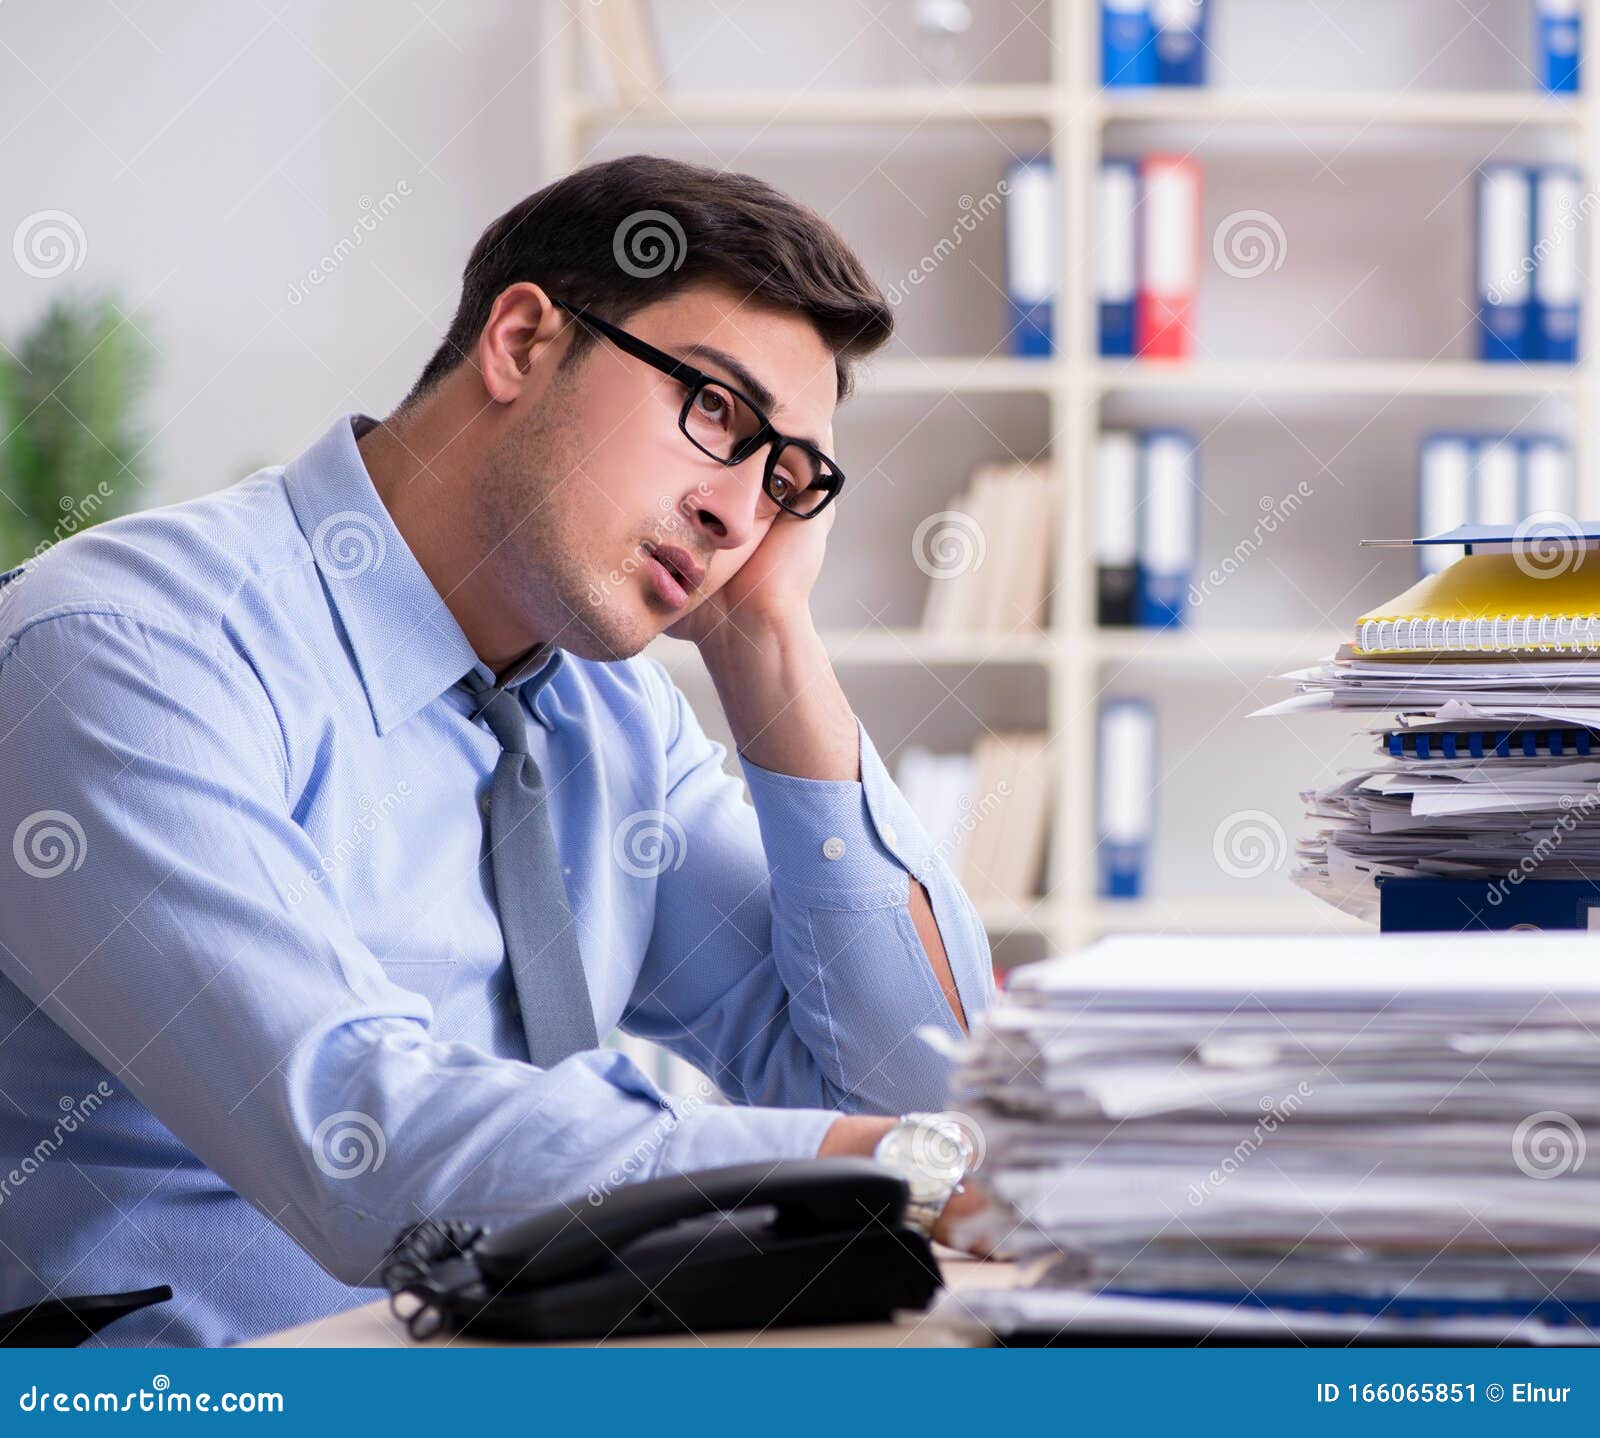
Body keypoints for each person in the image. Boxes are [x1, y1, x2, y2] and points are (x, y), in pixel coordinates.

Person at [0, 153, 995, 1348]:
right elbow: (366, 1143)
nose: (739, 514)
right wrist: (891, 1161)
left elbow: (930, 1097)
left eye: (787, 482)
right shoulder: (124, 653)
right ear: (521, 342)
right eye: (716, 411)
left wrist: (770, 643)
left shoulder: (609, 717)